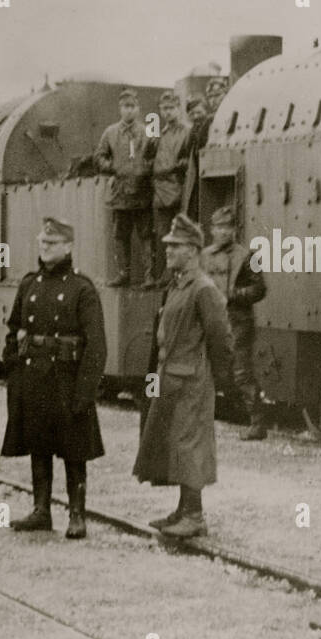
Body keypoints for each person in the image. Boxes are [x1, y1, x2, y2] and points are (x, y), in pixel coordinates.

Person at [0, 217, 107, 539]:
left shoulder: (82, 289)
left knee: (74, 450)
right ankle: (41, 511)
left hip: (67, 381)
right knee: (38, 444)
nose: (45, 247)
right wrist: (13, 371)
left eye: (52, 243)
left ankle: (77, 515)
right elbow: (13, 330)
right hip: (34, 378)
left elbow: (96, 346)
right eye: (42, 243)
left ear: (69, 247)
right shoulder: (29, 284)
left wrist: (85, 391)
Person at [133, 214, 234, 538]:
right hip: (171, 376)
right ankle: (182, 509)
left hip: (192, 380)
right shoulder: (178, 285)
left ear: (192, 250)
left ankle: (195, 515)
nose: (167, 251)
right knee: (175, 444)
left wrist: (220, 382)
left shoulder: (203, 288)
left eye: (174, 246)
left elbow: (221, 337)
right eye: (168, 246)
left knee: (189, 444)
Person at [200, 205, 268, 439]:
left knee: (242, 373)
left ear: (233, 230)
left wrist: (233, 294)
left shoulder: (250, 256)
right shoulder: (204, 256)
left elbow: (260, 289)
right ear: (211, 230)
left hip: (238, 320)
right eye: (218, 227)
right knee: (205, 369)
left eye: (227, 227)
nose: (223, 232)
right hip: (212, 321)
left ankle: (257, 423)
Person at [95, 87, 155, 287]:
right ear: (120, 109)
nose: (129, 110)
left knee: (146, 235)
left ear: (138, 109)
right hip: (120, 193)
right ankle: (123, 274)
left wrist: (143, 168)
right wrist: (113, 167)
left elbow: (156, 156)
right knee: (121, 235)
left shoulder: (147, 132)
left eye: (133, 106)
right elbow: (99, 157)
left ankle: (149, 276)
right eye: (125, 107)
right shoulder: (110, 133)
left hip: (142, 191)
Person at [149, 90, 191, 288]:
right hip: (160, 191)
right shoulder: (158, 134)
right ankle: (165, 275)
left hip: (178, 188)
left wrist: (174, 166)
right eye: (164, 109)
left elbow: (188, 160)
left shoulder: (187, 132)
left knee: (179, 234)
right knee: (161, 234)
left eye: (171, 108)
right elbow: (148, 158)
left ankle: (176, 274)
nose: (167, 112)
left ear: (178, 109)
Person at [181, 75, 228, 219]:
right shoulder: (207, 122)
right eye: (210, 96)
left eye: (218, 95)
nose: (214, 100)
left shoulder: (232, 116)